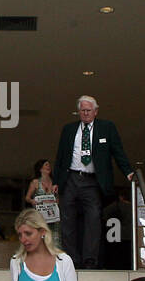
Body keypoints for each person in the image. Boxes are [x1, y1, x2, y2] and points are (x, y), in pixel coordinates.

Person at [53, 95, 134, 268]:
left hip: (92, 180)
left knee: (93, 220)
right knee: (67, 220)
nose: (85, 113)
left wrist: (128, 171)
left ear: (96, 111)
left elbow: (117, 151)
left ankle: (90, 259)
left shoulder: (107, 128)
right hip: (71, 178)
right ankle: (71, 260)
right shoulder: (69, 129)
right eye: (82, 110)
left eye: (88, 110)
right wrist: (56, 180)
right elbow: (60, 156)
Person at [24, 158, 61, 244]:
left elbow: (58, 198)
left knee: (55, 239)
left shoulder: (54, 182)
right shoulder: (35, 182)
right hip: (40, 216)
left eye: (49, 165)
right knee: (41, 238)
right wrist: (33, 201)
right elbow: (27, 198)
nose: (49, 166)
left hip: (53, 217)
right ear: (40, 168)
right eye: (46, 165)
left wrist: (56, 201)